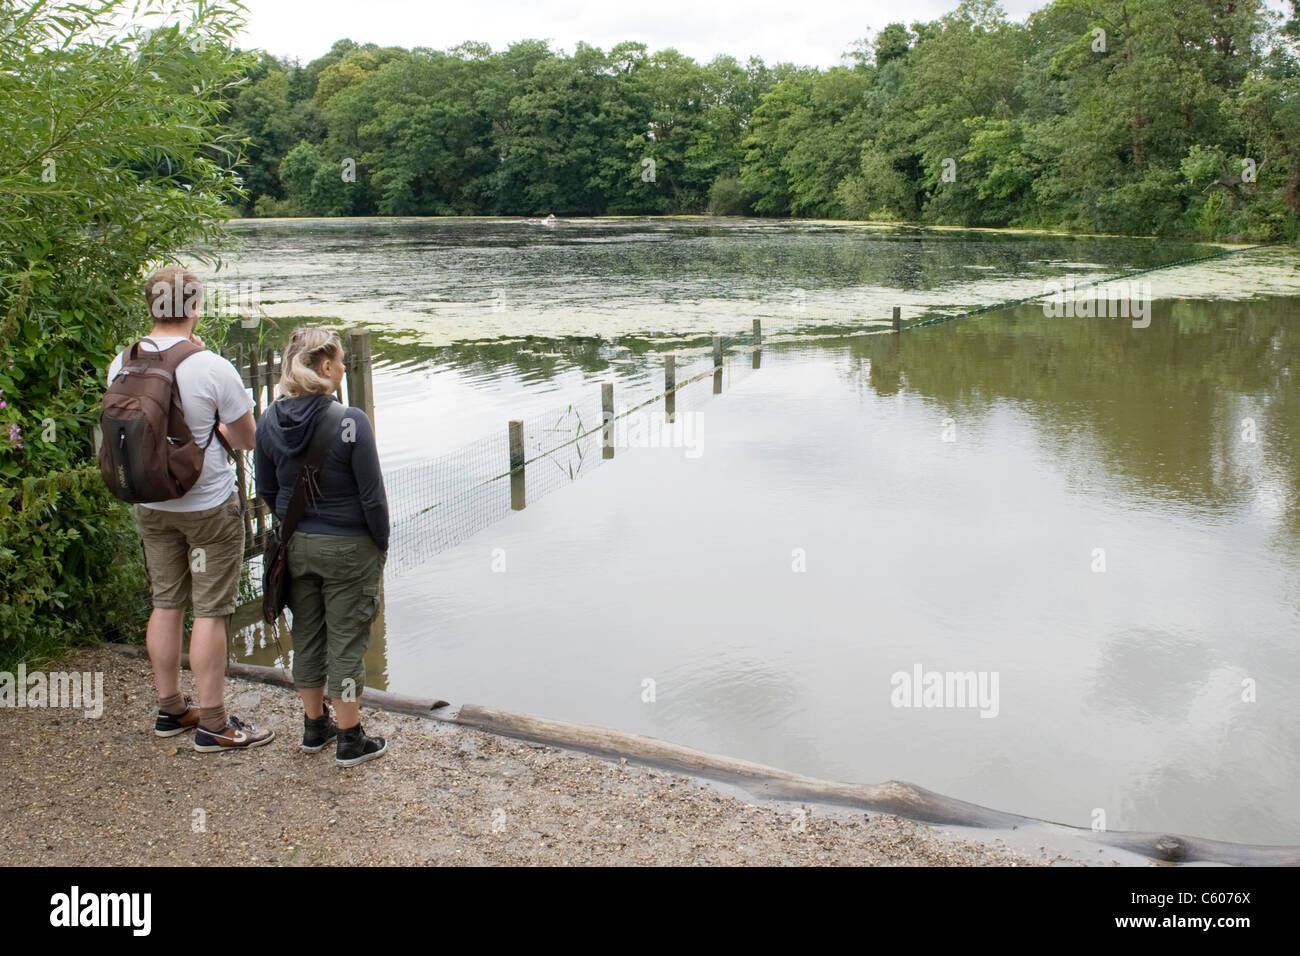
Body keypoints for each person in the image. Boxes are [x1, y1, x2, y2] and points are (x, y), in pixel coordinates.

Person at [108, 267, 274, 752]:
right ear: (195, 307)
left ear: (151, 305)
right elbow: (246, 438)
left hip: (149, 501)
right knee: (211, 611)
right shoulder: (212, 367)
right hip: (207, 507)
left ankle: (171, 708)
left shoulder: (121, 362)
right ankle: (215, 722)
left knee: (166, 602)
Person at [255, 327, 390, 766]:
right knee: (347, 643)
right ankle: (351, 737)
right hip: (350, 547)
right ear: (327, 366)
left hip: (297, 547)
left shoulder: (268, 420)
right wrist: (380, 545)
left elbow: (268, 490)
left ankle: (315, 727)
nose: (345, 368)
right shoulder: (351, 421)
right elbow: (372, 496)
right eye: (341, 361)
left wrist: (300, 528)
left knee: (308, 637)